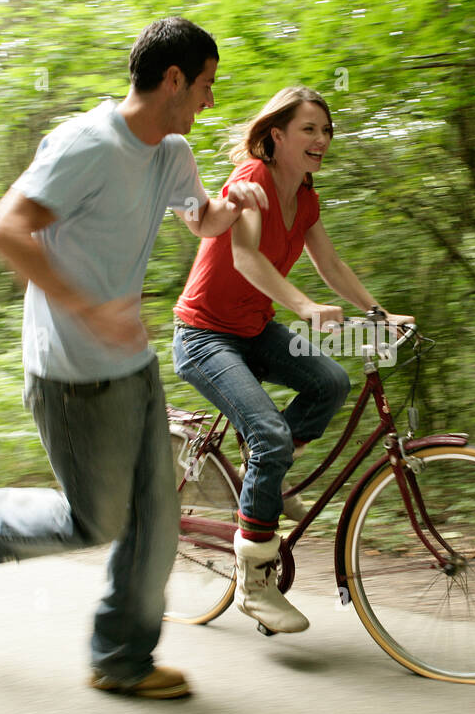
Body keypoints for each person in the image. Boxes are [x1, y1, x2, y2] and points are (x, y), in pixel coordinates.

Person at [0, 17, 267, 699]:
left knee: (157, 522)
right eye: (205, 85)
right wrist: (90, 308)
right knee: (96, 520)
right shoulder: (85, 144)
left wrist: (231, 204)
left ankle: (121, 659)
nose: (210, 100)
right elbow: (5, 229)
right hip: (70, 373)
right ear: (173, 79)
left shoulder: (171, 152)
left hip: (133, 365)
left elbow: (198, 218)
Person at [171, 86, 414, 634]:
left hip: (255, 330)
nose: (321, 139)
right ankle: (254, 585)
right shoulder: (251, 180)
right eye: (309, 129)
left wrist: (379, 314)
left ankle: (264, 477)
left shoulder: (305, 196)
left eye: (326, 131)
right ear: (276, 135)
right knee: (269, 435)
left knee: (329, 382)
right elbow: (245, 257)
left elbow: (329, 262)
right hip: (205, 336)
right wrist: (304, 307)